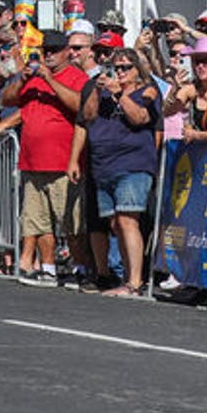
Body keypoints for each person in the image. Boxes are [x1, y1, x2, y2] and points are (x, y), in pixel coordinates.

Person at [0, 29, 87, 286]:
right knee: (38, 222)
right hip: (32, 161)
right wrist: (23, 80)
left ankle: (80, 267)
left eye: (54, 51)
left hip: (61, 162)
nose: (49, 56)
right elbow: (6, 99)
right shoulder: (33, 77)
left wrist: (51, 81)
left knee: (70, 221)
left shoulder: (76, 77)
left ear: (67, 52)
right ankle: (48, 267)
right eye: (46, 51)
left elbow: (80, 105)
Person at [71, 48, 161, 297]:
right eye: (115, 67)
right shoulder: (101, 90)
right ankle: (126, 277)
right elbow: (87, 117)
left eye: (124, 68)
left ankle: (134, 282)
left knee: (127, 220)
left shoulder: (147, 91)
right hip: (103, 165)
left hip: (132, 164)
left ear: (137, 71)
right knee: (115, 224)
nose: (119, 72)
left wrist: (120, 93)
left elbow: (140, 118)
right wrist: (96, 90)